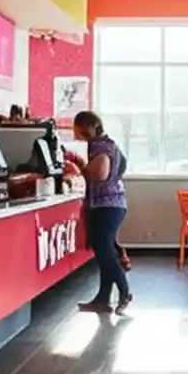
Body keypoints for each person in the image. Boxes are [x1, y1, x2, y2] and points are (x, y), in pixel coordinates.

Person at [67, 110, 131, 315]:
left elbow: (100, 174)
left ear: (84, 127)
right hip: (116, 203)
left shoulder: (99, 146)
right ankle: (102, 299)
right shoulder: (111, 143)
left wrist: (79, 167)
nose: (75, 133)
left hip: (104, 205)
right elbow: (119, 169)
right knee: (107, 252)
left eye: (76, 128)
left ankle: (124, 291)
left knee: (105, 253)